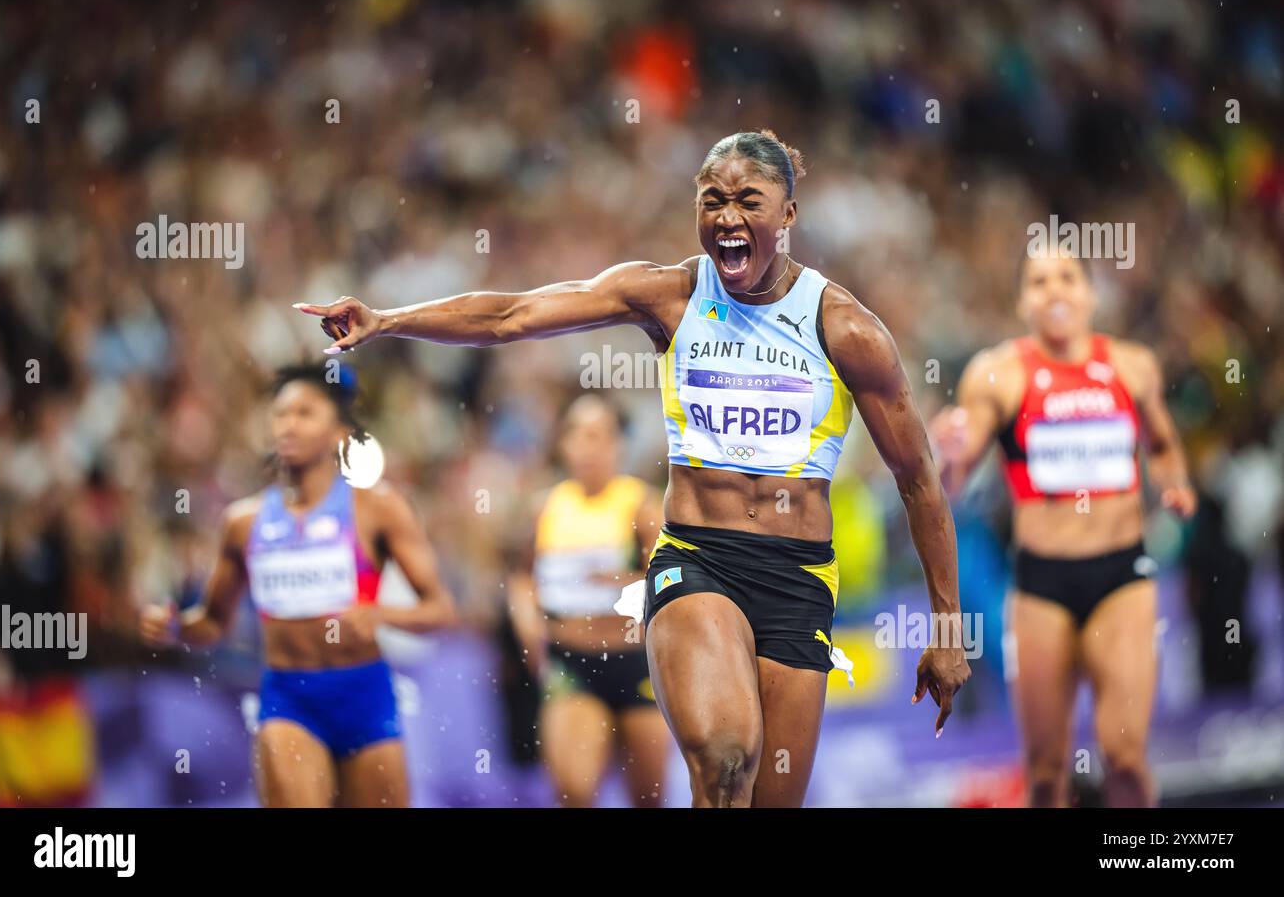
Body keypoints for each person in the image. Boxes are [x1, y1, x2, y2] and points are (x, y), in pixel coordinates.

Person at [296, 129, 970, 808]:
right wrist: (387, 321)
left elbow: (917, 479)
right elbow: (514, 314)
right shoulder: (669, 296)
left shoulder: (845, 330)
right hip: (699, 560)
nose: (728, 217)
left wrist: (946, 628)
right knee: (726, 758)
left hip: (799, 579)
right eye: (712, 201)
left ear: (788, 215)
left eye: (748, 201)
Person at [930, 246, 1197, 807]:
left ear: (1090, 293)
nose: (1054, 291)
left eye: (1066, 279)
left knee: (1124, 760)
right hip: (1040, 588)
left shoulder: (1133, 366)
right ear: (1023, 301)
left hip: (1121, 578)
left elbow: (1165, 444)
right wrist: (950, 449)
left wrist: (1173, 483)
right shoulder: (998, 373)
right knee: (1047, 773)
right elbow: (959, 467)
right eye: (1039, 282)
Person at [140, 365, 456, 807]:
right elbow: (213, 623)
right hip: (290, 700)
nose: (288, 424)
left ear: (338, 431)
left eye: (305, 413)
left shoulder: (379, 509)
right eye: (280, 414)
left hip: (366, 697)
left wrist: (382, 615)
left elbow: (441, 609)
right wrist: (177, 629)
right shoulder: (243, 523)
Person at [508, 394, 670, 806]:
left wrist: (622, 579)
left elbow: (672, 581)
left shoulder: (641, 505)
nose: (586, 448)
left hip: (637, 663)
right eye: (576, 436)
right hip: (571, 662)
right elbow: (520, 577)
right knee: (574, 791)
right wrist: (527, 623)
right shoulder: (545, 507)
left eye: (597, 436)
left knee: (649, 797)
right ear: (562, 444)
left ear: (618, 445)